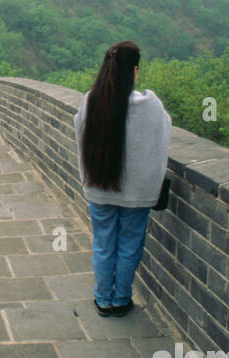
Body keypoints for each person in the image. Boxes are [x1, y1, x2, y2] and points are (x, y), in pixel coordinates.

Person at [72, 41, 171, 317]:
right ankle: (121, 299)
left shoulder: (92, 100)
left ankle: (103, 299)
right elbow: (163, 131)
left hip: (100, 186)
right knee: (129, 244)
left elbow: (79, 129)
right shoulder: (150, 104)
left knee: (103, 244)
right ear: (135, 71)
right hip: (136, 192)